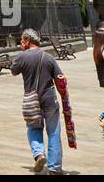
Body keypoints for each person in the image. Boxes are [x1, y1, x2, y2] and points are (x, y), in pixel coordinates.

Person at [11, 29, 65, 174]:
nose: (21, 43)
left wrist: (22, 53)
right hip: (50, 99)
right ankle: (55, 168)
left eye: (22, 40)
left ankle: (39, 154)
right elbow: (60, 79)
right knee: (53, 132)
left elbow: (13, 71)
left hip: (32, 100)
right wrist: (65, 100)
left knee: (33, 128)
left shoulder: (22, 56)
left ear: (28, 40)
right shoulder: (48, 57)